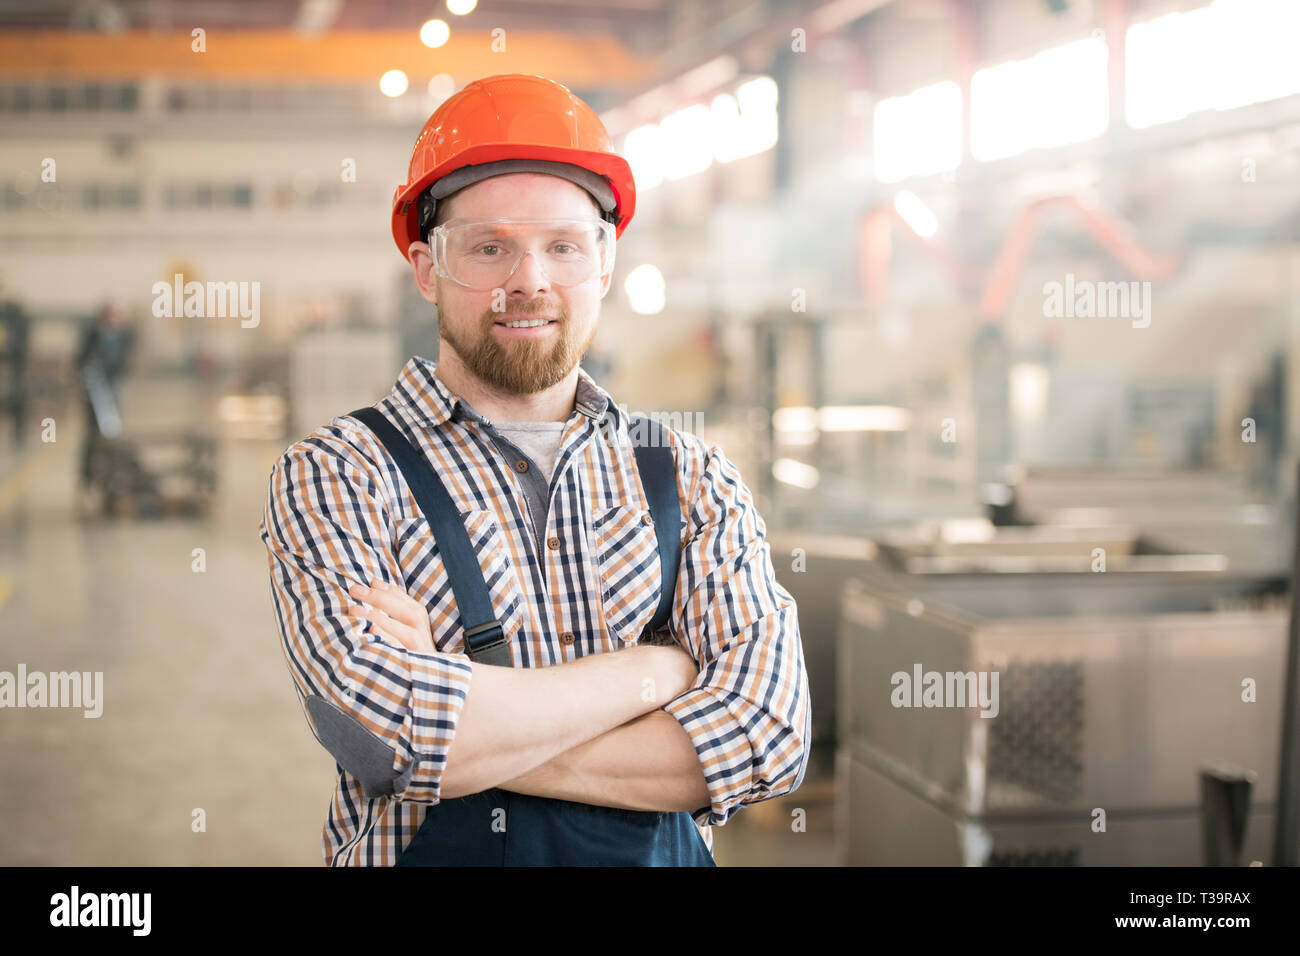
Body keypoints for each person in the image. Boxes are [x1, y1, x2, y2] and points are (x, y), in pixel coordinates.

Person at [259, 73, 810, 866]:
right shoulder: (337, 478)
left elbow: (768, 736)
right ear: (426, 268)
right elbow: (386, 740)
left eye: (562, 245)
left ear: (605, 259)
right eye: (489, 247)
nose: (530, 280)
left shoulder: (690, 477)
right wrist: (659, 672)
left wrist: (466, 722)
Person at [74, 299, 135, 494]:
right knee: (92, 436)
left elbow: (123, 364)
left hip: (112, 391)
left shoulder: (123, 337)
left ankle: (112, 476)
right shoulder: (93, 335)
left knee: (112, 435)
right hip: (94, 393)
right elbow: (81, 361)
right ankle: (88, 478)